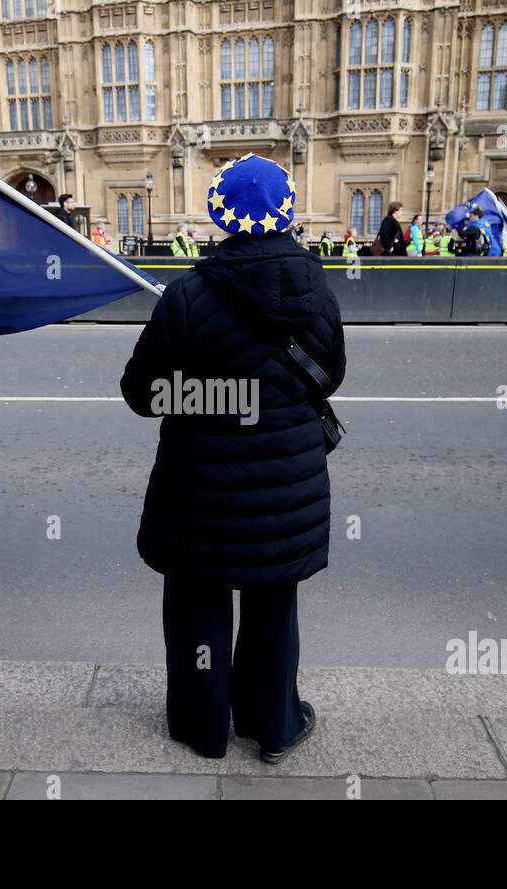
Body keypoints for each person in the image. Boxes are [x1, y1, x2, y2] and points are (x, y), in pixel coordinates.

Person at [120, 153, 345, 763]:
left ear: (221, 216)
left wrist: (212, 394)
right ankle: (274, 725)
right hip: (285, 484)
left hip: (201, 488)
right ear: (287, 215)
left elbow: (141, 394)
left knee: (199, 604)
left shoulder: (187, 296)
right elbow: (329, 378)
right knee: (274, 603)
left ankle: (204, 727)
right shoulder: (319, 289)